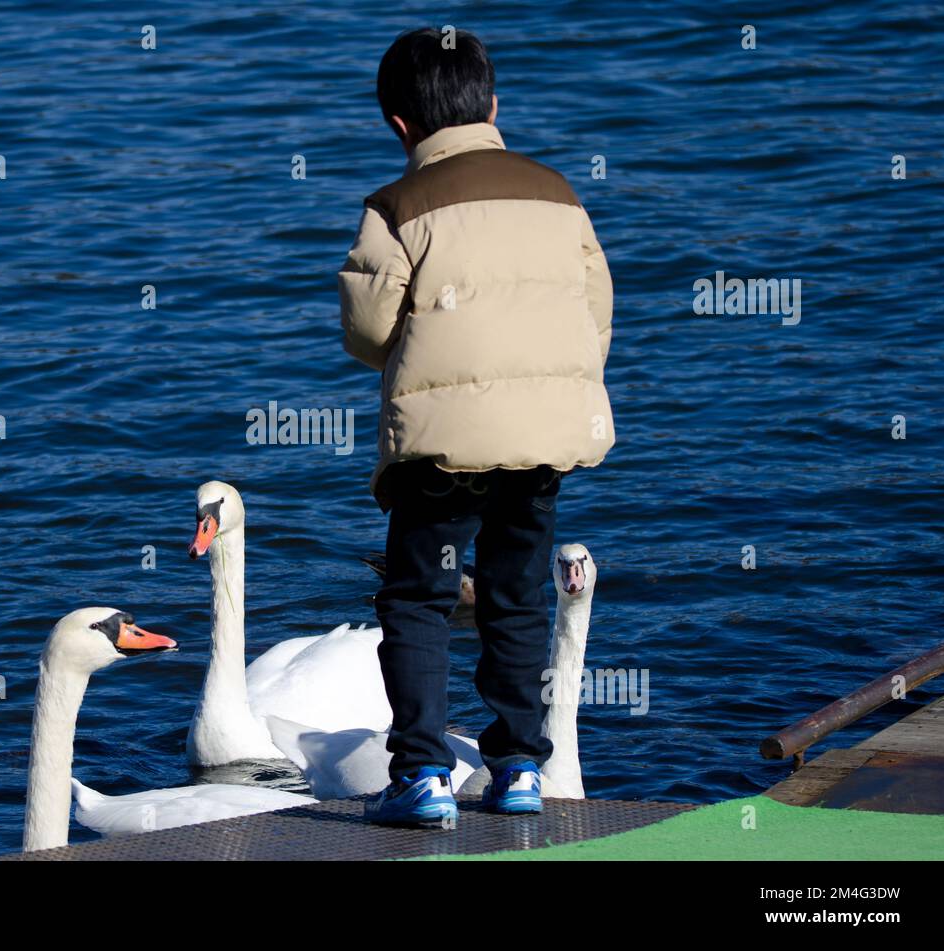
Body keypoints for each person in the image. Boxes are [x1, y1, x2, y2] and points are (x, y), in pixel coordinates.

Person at [337, 27, 614, 827]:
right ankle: (520, 766)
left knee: (419, 596)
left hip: (442, 442)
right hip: (541, 435)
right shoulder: (559, 194)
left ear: (398, 125)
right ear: (494, 106)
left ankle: (422, 775)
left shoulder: (395, 207)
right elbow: (596, 308)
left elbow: (367, 330)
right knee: (516, 591)